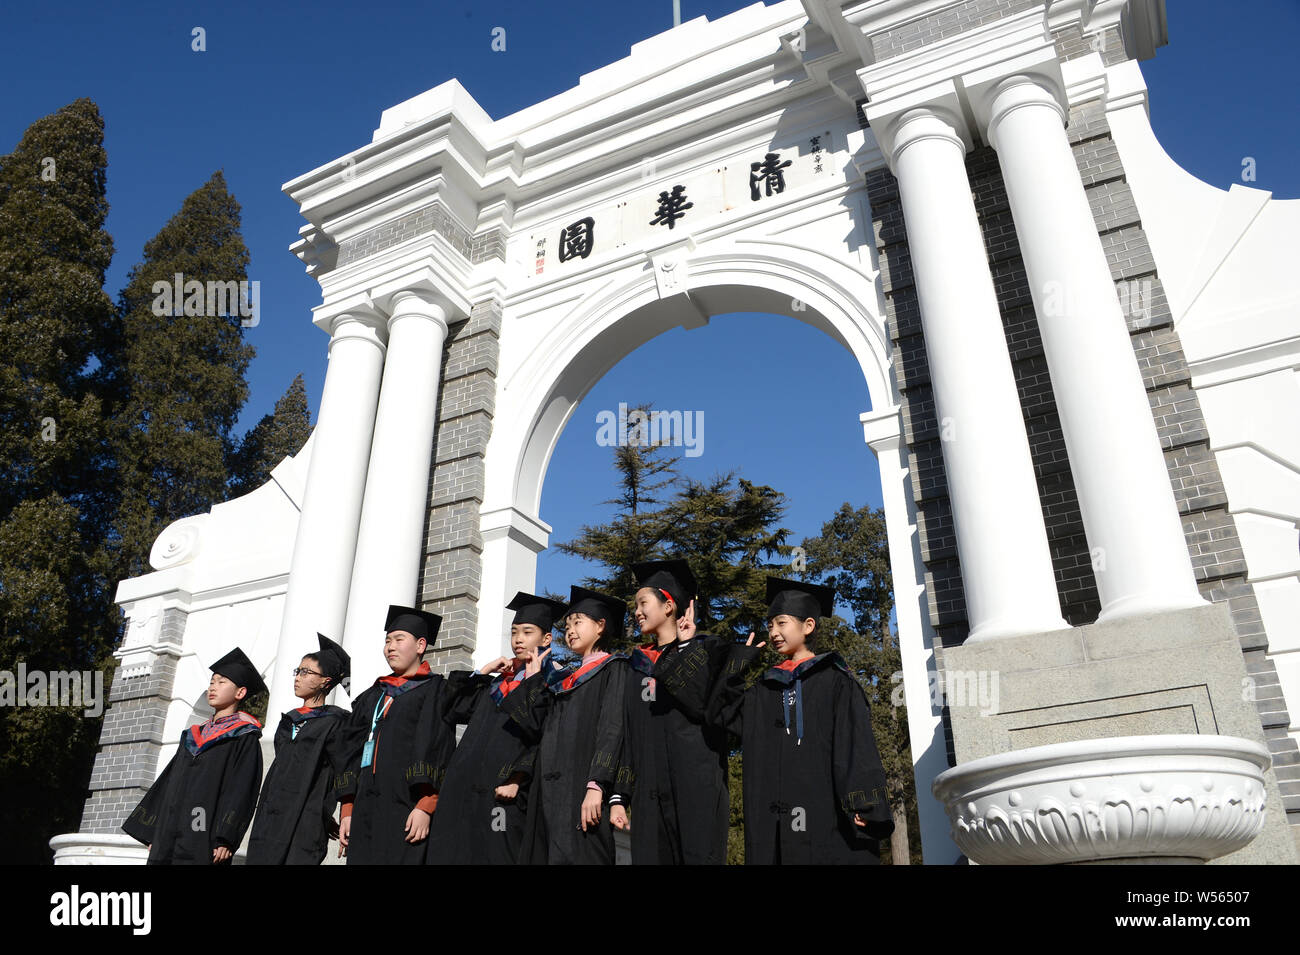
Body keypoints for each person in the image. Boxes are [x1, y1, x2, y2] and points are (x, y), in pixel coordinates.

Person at [708, 577, 894, 864]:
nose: (773, 632)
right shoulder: (763, 689)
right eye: (770, 625)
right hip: (774, 826)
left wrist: (866, 804)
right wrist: (738, 662)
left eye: (781, 623)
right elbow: (720, 713)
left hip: (826, 817)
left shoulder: (836, 682)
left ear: (808, 626)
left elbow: (856, 744)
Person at [426, 592, 565, 864]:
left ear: (546, 639)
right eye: (514, 632)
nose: (518, 639)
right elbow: (452, 709)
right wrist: (481, 673)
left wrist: (517, 778)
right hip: (463, 788)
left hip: (502, 792)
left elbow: (542, 737)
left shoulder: (554, 683)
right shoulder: (497, 682)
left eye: (527, 632)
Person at [610, 559, 729, 864]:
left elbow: (707, 706)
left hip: (694, 784)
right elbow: (628, 732)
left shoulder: (707, 650)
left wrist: (687, 647)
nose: (636, 611)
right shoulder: (635, 665)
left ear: (669, 606)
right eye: (635, 604)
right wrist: (620, 796)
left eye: (643, 602)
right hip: (648, 790)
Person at [503, 586, 628, 865]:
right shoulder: (564, 680)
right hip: (547, 794)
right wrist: (534, 680)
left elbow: (613, 729)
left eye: (578, 622)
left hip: (581, 790)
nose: (570, 630)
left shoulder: (614, 669)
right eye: (568, 625)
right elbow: (533, 727)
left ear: (600, 626)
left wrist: (597, 786)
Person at [337, 605, 457, 865]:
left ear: (420, 645)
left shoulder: (436, 690)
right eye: (387, 641)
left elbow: (438, 746)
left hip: (407, 808)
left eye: (398, 639)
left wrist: (427, 804)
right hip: (365, 810)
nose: (390, 646)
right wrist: (347, 808)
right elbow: (350, 749)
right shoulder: (375, 694)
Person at [122, 647, 265, 865]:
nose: (213, 688)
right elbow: (167, 782)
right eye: (211, 682)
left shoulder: (244, 737)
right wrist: (154, 830)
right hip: (168, 832)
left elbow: (242, 790)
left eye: (221, 682)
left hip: (203, 833)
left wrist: (226, 837)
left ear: (240, 693)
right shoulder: (192, 736)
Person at [246, 634, 353, 865]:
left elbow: (343, 770)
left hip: (306, 820)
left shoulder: (336, 722)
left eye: (307, 672)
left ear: (326, 681)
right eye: (298, 670)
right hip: (271, 817)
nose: (298, 677)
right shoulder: (288, 722)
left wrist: (342, 813)